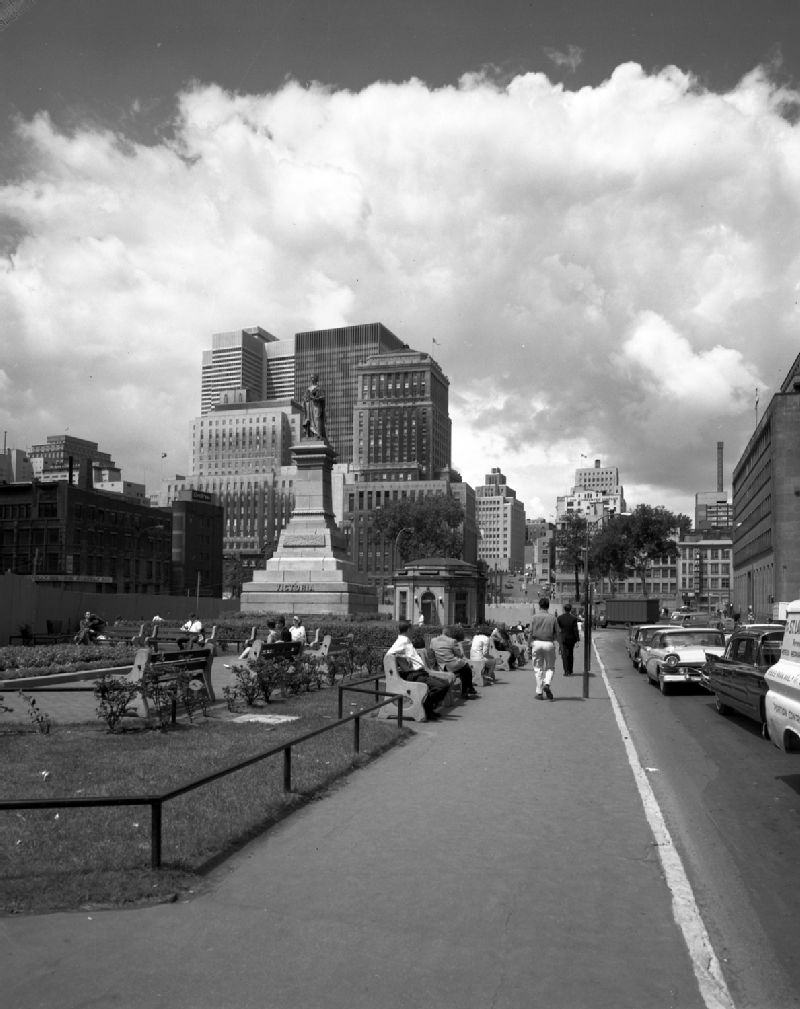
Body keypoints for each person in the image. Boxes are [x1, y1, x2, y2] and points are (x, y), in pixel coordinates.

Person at [386, 621, 450, 720]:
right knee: (441, 686)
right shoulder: (402, 641)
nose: (413, 631)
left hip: (419, 673)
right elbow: (389, 655)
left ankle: (428, 708)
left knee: (445, 683)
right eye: (412, 629)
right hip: (414, 675)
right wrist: (403, 660)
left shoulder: (406, 640)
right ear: (408, 630)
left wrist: (403, 658)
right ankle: (425, 707)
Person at [430, 625, 480, 699]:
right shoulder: (452, 641)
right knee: (466, 668)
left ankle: (469, 688)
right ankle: (466, 690)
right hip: (452, 665)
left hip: (441, 666)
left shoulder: (433, 640)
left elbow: (431, 652)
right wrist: (460, 648)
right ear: (449, 633)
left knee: (463, 669)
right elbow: (460, 655)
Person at [527, 597, 561, 700]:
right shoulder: (553, 618)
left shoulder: (534, 617)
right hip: (549, 643)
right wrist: (561, 645)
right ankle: (547, 683)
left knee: (538, 669)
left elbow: (530, 632)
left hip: (536, 643)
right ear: (548, 606)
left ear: (539, 606)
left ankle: (539, 692)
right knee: (550, 667)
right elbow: (558, 633)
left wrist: (529, 645)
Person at [556, 601, 581, 677]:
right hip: (571, 638)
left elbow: (558, 629)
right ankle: (570, 670)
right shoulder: (573, 618)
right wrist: (577, 640)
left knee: (564, 655)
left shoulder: (559, 618)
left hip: (563, 638)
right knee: (570, 654)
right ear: (570, 610)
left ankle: (566, 671)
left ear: (564, 609)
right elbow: (575, 630)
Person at [301, 373, 326, 440]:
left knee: (317, 419)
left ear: (316, 379)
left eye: (313, 377)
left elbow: (323, 397)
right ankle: (311, 435)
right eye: (311, 377)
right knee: (310, 421)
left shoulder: (319, 388)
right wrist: (305, 401)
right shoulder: (308, 389)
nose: (312, 379)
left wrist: (317, 398)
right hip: (309, 406)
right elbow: (305, 398)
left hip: (317, 406)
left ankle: (318, 434)